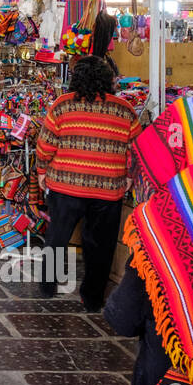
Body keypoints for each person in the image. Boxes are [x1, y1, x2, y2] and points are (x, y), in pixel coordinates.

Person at [35, 54, 142, 311]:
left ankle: (48, 286)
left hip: (65, 185)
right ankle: (92, 297)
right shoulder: (124, 109)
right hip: (108, 189)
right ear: (108, 79)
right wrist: (129, 177)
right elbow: (137, 150)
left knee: (57, 237)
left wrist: (41, 171)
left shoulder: (62, 105)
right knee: (100, 245)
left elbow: (45, 145)